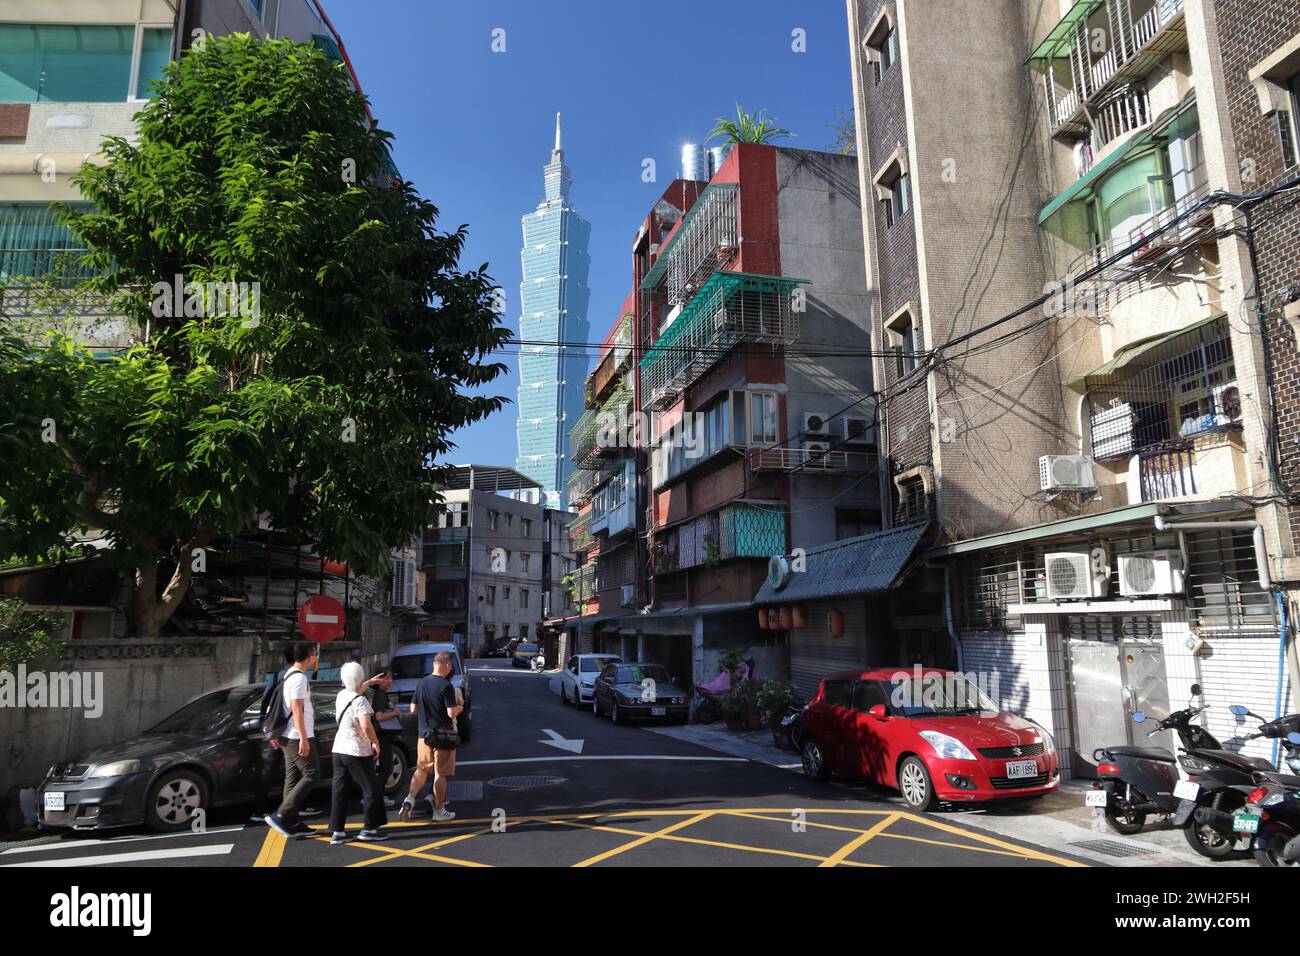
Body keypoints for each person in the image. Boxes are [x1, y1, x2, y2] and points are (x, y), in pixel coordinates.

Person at [327, 662, 389, 845]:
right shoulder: (360, 702)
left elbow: (355, 690)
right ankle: (369, 828)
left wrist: (369, 682)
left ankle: (337, 831)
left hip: (339, 750)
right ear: (359, 678)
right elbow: (366, 725)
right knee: (371, 788)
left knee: (339, 790)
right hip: (357, 751)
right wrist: (375, 742)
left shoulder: (341, 695)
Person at [265, 641, 319, 838]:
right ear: (308, 656)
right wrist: (304, 738)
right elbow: (296, 709)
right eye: (314, 654)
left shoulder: (288, 674)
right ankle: (281, 814)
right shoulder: (299, 679)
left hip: (288, 734)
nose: (316, 658)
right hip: (297, 736)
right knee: (313, 774)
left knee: (293, 776)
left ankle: (291, 821)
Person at [400, 651, 462, 822]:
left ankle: (409, 799)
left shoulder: (422, 683)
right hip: (443, 736)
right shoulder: (446, 686)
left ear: (434, 664)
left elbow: (412, 709)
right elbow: (451, 713)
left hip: (423, 734)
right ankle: (440, 810)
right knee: (440, 774)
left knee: (421, 770)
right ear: (447, 665)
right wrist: (459, 708)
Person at [366, 667, 403, 810]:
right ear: (378, 679)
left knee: (381, 767)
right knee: (386, 767)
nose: (389, 681)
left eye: (391, 678)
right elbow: (379, 716)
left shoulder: (379, 693)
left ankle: (376, 796)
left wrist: (390, 705)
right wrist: (395, 713)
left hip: (378, 735)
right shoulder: (380, 694)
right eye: (386, 678)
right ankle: (377, 797)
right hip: (381, 735)